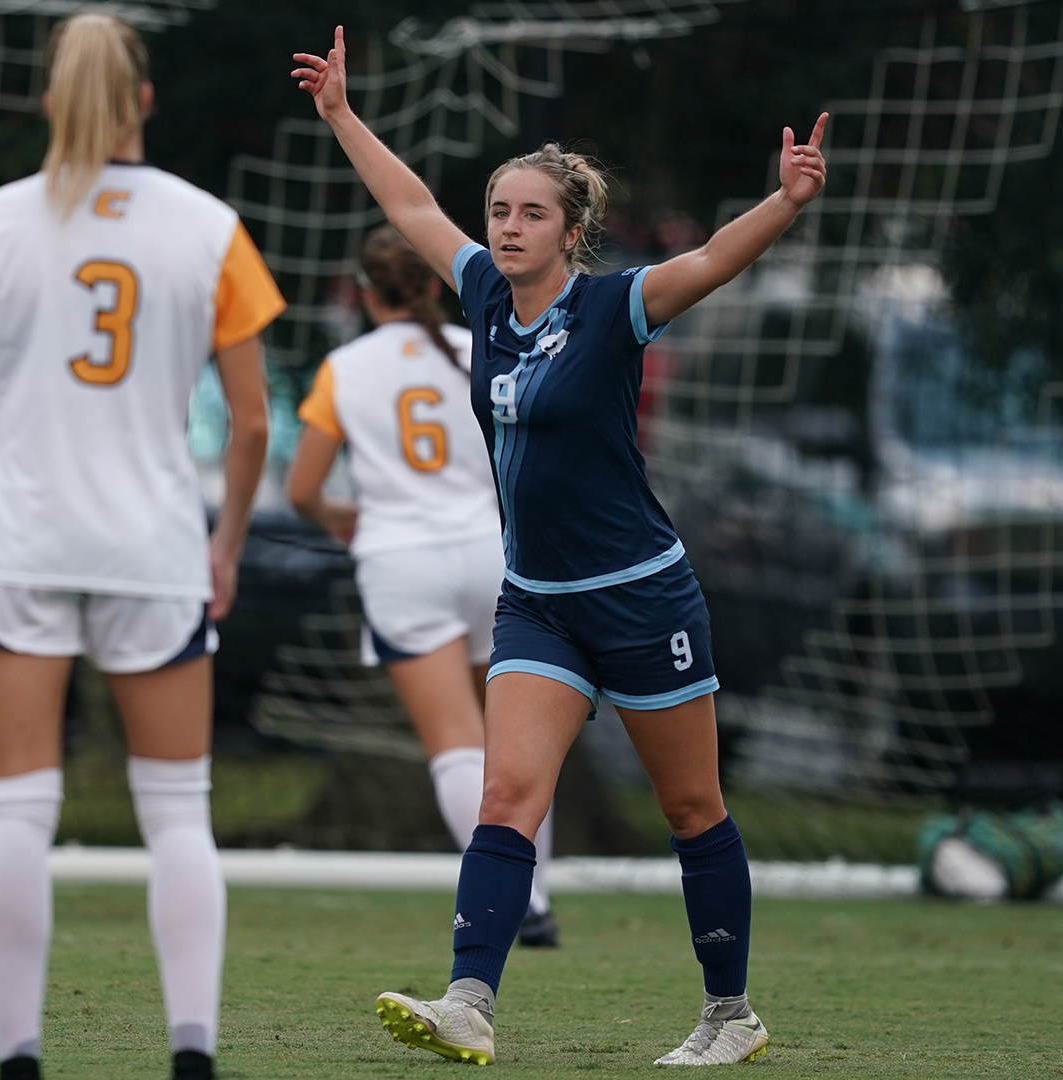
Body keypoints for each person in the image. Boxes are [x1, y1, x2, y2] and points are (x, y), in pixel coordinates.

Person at [292, 27, 828, 1067]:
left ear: (573, 231)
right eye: (499, 209)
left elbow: (711, 260)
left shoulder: (613, 305)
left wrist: (788, 200)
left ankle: (730, 1013)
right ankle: (469, 1003)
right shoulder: (482, 295)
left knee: (691, 807)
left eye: (532, 212)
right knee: (505, 797)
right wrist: (342, 115)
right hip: (536, 600)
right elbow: (411, 207)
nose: (507, 226)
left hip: (640, 595)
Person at [0, 11, 283, 1080]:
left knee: (18, 811)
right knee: (176, 815)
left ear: (50, 101)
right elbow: (253, 423)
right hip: (152, 549)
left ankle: (19, 1059)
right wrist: (226, 545)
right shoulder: (210, 228)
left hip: (19, 545)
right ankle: (192, 1055)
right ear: (145, 100)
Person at [285, 225, 559, 948]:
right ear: (437, 283)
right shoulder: (485, 348)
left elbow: (302, 488)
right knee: (513, 739)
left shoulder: (345, 368)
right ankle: (538, 891)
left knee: (455, 745)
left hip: (403, 561)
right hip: (494, 553)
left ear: (364, 294)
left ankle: (523, 903)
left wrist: (338, 518)